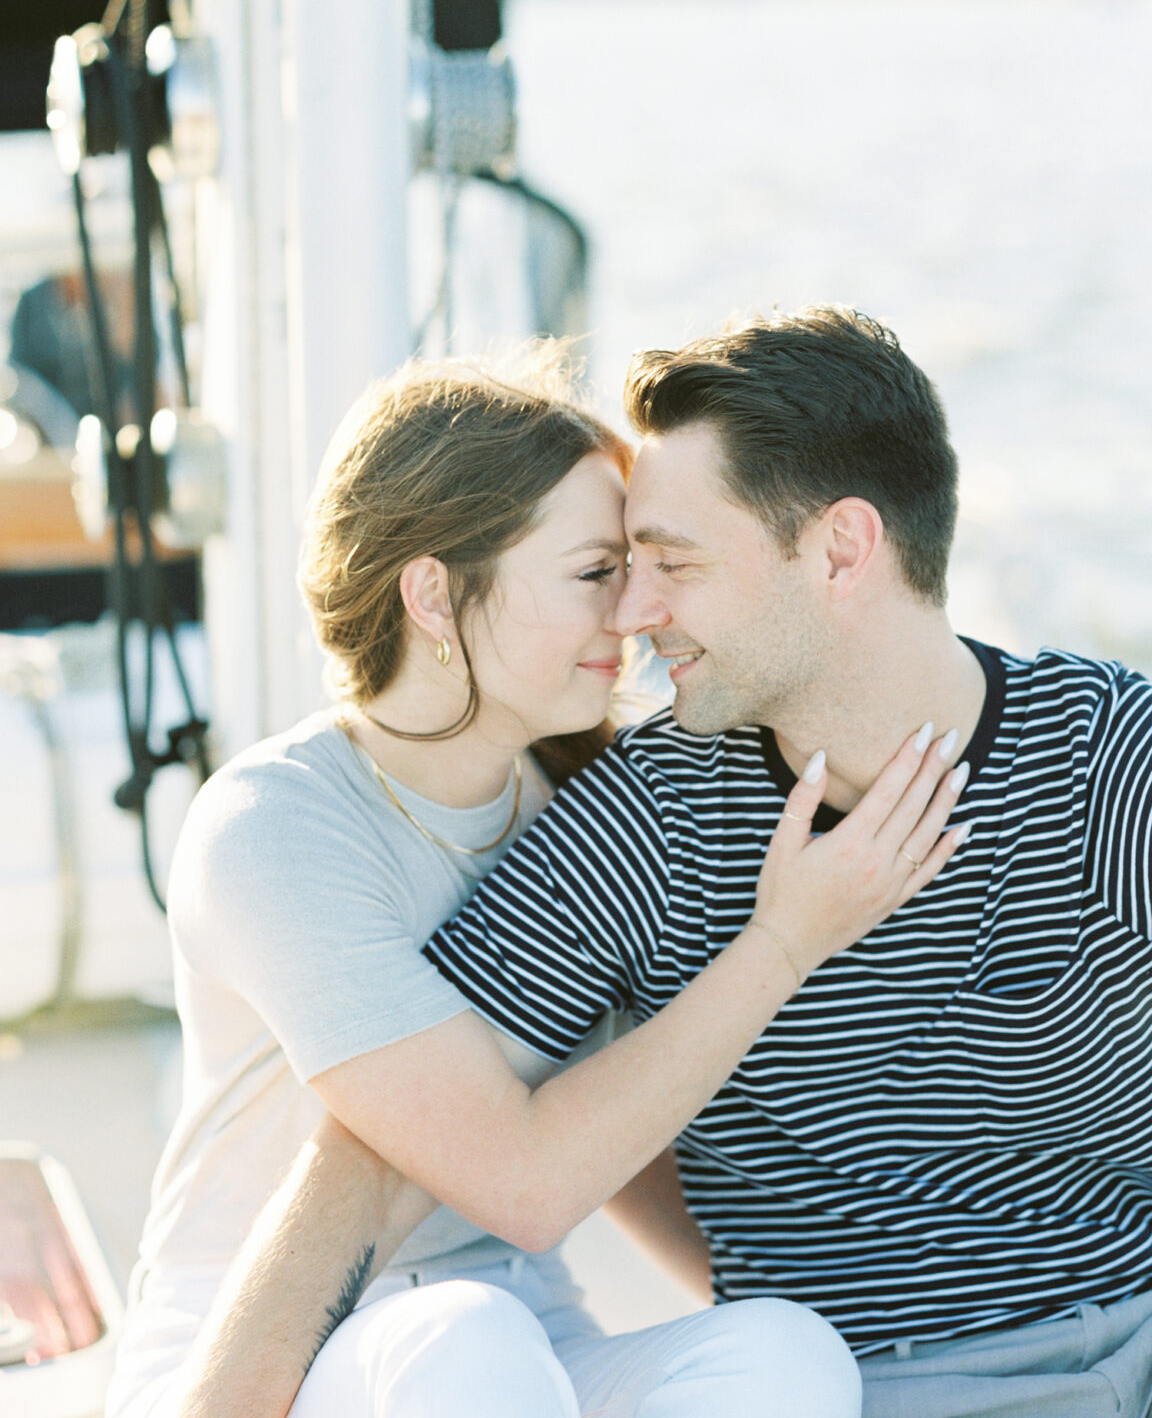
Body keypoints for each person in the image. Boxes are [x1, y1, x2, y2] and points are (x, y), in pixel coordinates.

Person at [173, 306, 1152, 1418]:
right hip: (904, 1382)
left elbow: (606, 1134)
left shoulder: (1111, 758)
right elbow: (399, 1169)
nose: (636, 614)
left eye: (669, 562)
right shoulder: (647, 819)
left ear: (842, 550)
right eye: (612, 569)